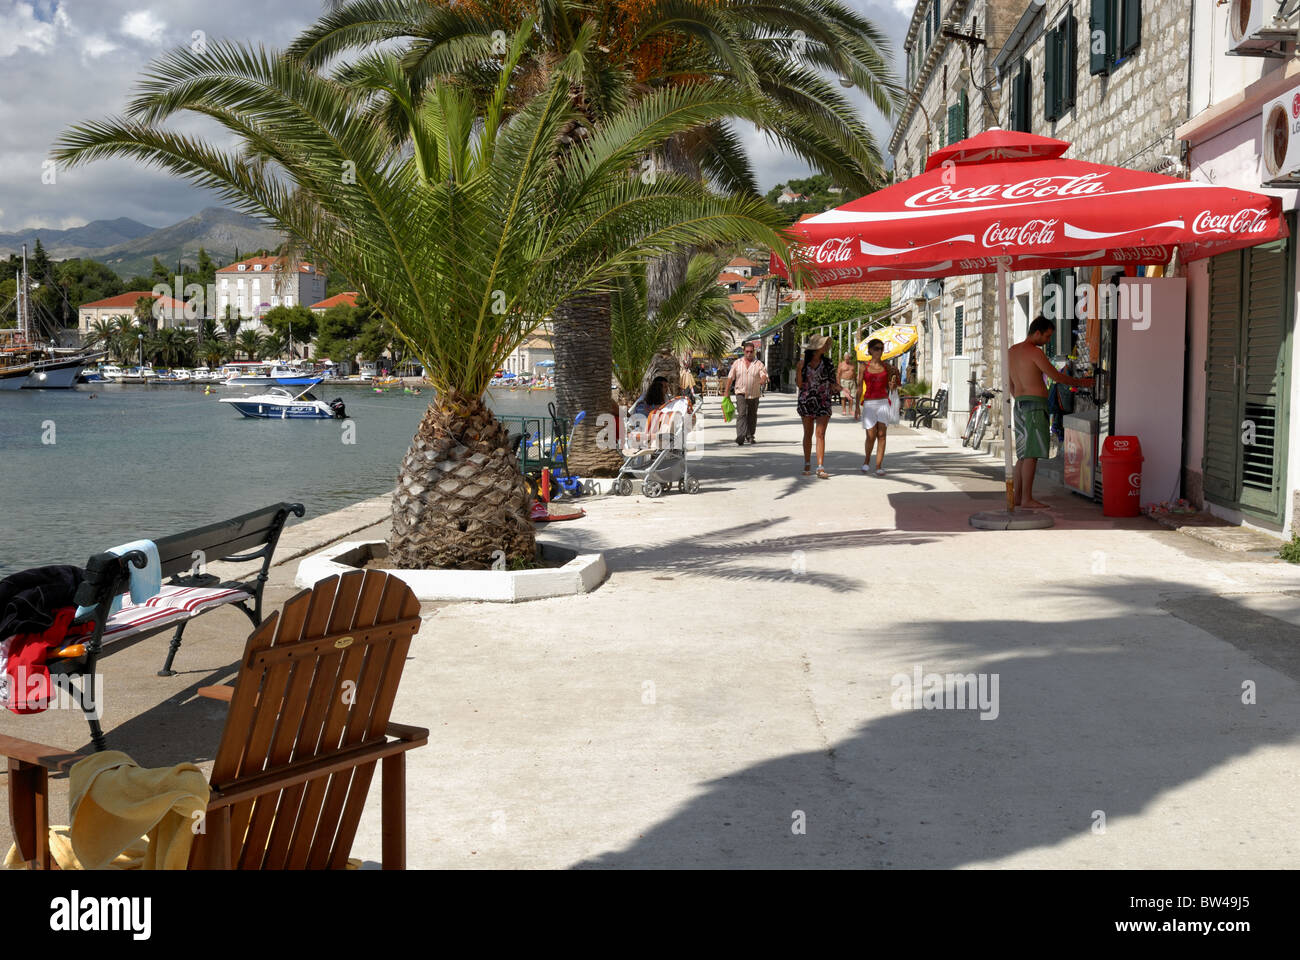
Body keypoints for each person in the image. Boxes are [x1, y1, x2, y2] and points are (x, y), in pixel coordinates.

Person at [1009, 316, 1095, 508]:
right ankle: (1027, 499)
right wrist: (1083, 382)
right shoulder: (1035, 352)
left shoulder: (1012, 351)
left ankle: (1018, 497)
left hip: (1020, 405)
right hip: (1035, 406)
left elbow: (1010, 383)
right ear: (1037, 332)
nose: (1048, 341)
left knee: (1022, 454)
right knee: (1031, 454)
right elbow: (1056, 376)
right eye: (1047, 336)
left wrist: (1021, 397)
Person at [854, 338, 899, 476]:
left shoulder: (887, 367)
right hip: (869, 403)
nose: (879, 351)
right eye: (876, 348)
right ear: (870, 350)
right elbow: (859, 387)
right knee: (871, 435)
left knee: (882, 435)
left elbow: (893, 386)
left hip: (883, 402)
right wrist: (856, 406)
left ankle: (879, 465)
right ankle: (867, 460)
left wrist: (893, 384)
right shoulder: (864, 367)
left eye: (881, 348)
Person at [796, 334, 840, 478]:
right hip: (806, 401)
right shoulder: (803, 363)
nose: (826, 347)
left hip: (823, 401)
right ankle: (807, 463)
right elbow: (799, 384)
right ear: (817, 347)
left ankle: (820, 467)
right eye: (824, 344)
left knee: (820, 434)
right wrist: (799, 370)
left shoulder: (828, 363)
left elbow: (833, 382)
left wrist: (842, 390)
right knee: (808, 433)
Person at [723, 340, 768, 445]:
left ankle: (750, 435)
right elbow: (730, 377)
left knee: (752, 415)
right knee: (742, 414)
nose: (749, 354)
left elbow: (764, 374)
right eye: (747, 351)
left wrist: (763, 380)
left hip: (754, 393)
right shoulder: (737, 363)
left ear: (754, 352)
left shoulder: (758, 364)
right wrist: (726, 392)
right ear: (744, 351)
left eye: (751, 352)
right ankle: (740, 436)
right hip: (741, 393)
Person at [835, 351, 856, 416]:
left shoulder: (853, 364)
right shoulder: (841, 364)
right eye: (845, 358)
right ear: (844, 357)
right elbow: (838, 374)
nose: (846, 359)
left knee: (851, 396)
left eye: (848, 358)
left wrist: (855, 382)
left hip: (852, 381)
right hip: (843, 381)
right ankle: (844, 410)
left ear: (850, 357)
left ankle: (850, 410)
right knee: (843, 396)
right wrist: (838, 384)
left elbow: (854, 373)